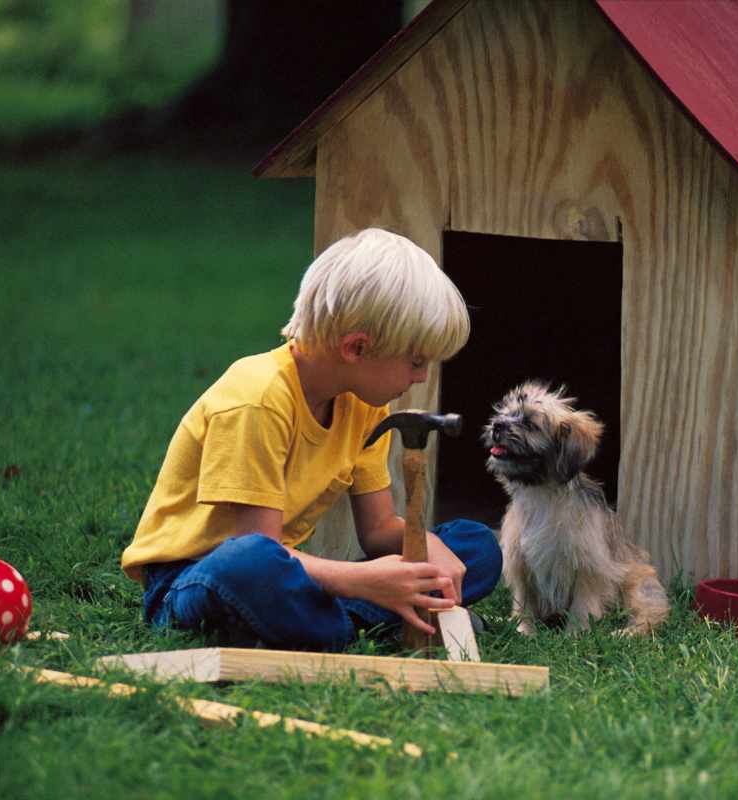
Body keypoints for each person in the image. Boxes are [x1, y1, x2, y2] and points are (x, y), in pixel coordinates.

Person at [120, 228, 500, 651]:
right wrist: (362, 580)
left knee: (476, 547)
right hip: (196, 578)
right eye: (415, 361)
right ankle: (362, 621)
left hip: (285, 573)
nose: (423, 377)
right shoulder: (257, 399)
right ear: (356, 348)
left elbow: (378, 530)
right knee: (252, 565)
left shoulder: (365, 406)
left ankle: (331, 621)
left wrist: (429, 546)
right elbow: (257, 549)